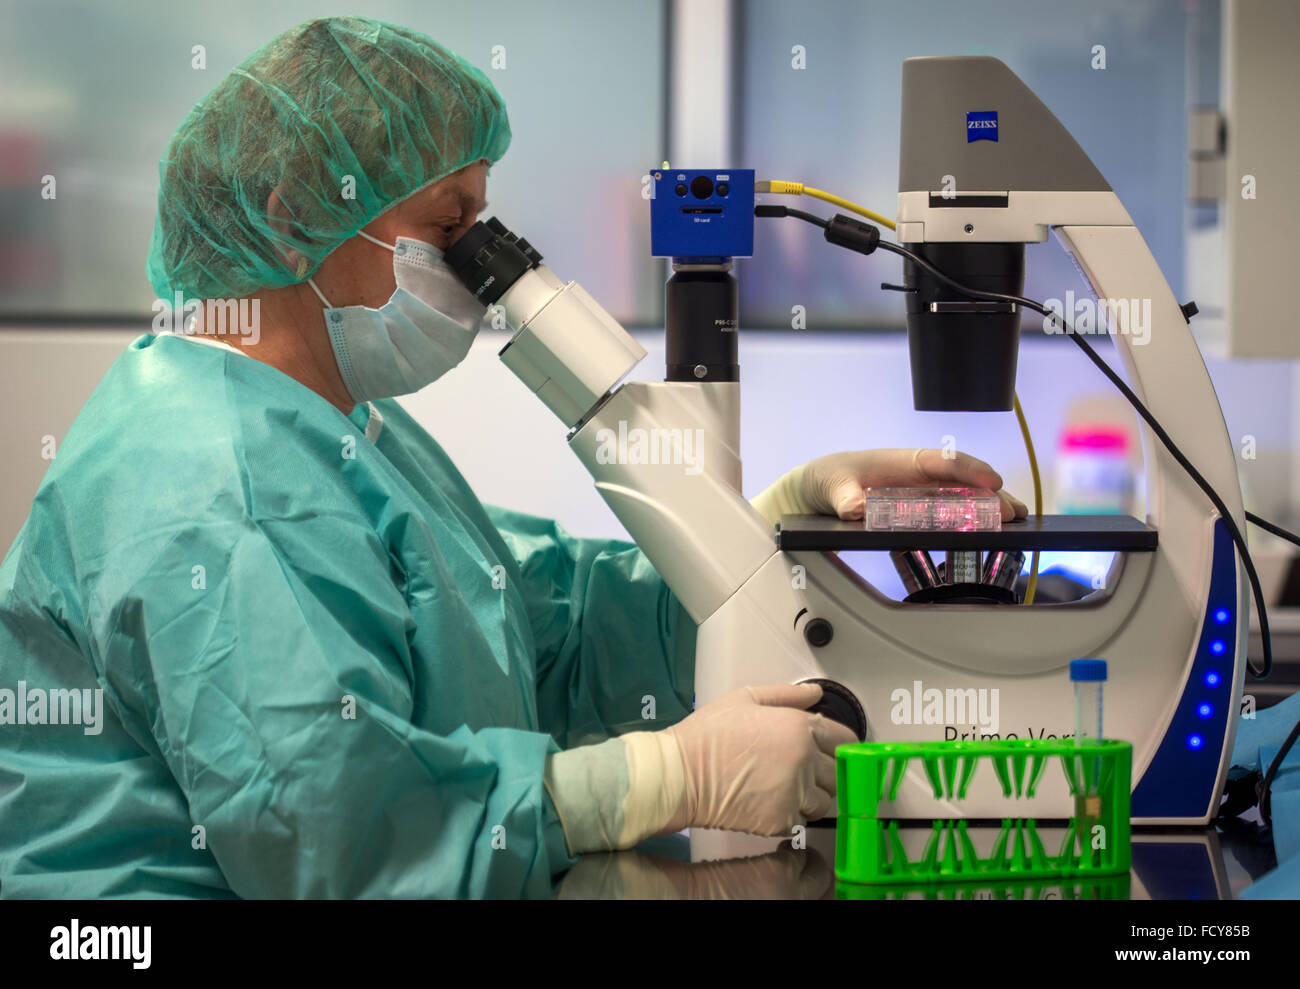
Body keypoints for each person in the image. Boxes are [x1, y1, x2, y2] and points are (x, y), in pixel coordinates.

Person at [0, 16, 1025, 898]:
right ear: (288, 217)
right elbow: (332, 833)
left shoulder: (332, 425)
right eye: (448, 227)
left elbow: (540, 633)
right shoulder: (210, 476)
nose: (472, 271)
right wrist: (657, 779)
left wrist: (773, 530)